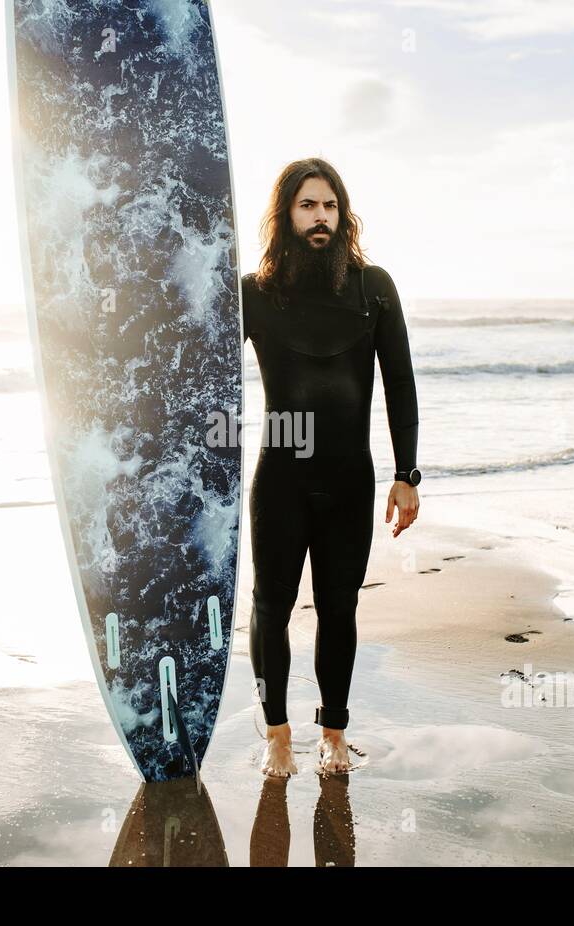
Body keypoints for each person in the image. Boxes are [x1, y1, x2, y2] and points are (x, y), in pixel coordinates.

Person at [241, 157, 422, 777]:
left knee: (339, 607)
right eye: (306, 206)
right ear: (285, 216)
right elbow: (199, 370)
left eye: (329, 206)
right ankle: (276, 733)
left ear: (342, 214)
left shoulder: (374, 289)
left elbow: (399, 383)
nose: (320, 218)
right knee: (270, 607)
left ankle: (335, 733)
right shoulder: (255, 295)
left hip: (349, 481)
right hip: (281, 479)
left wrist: (407, 474)